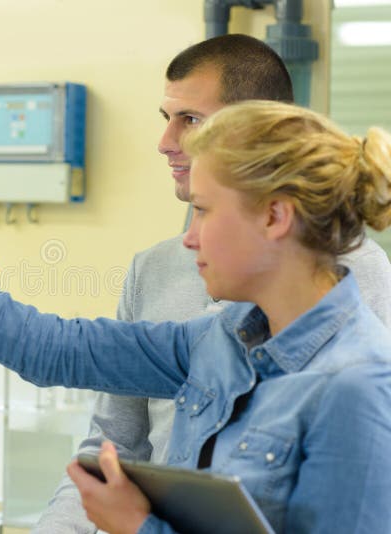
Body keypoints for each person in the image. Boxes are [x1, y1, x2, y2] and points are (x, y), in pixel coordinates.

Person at [0, 99, 391, 533]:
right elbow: (54, 347)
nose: (189, 239)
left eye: (203, 211)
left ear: (275, 217)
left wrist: (138, 525)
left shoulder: (356, 390)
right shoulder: (225, 339)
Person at [35, 34, 391, 532]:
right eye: (167, 119)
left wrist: (141, 527)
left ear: (255, 130)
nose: (166, 143)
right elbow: (112, 443)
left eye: (192, 121)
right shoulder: (153, 268)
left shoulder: (356, 285)